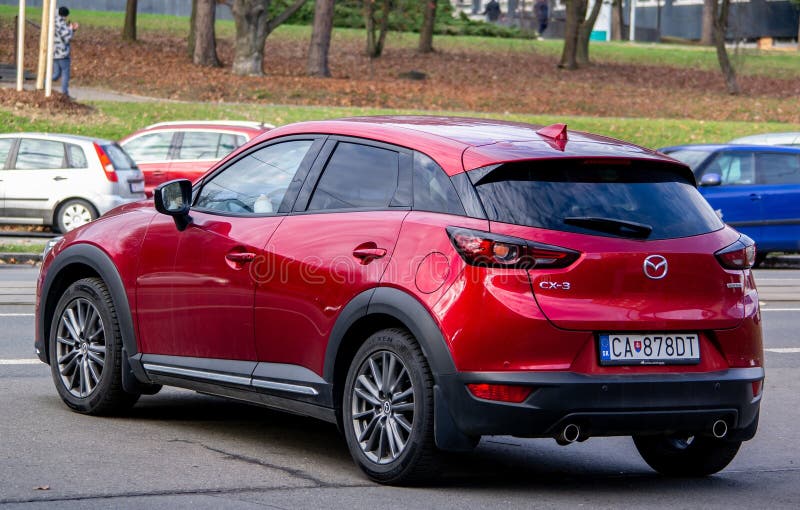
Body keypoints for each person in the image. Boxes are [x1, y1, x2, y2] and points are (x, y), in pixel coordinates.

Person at [53, 6, 79, 98]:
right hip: (62, 53)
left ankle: (41, 85)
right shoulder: (61, 23)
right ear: (65, 15)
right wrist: (72, 29)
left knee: (56, 74)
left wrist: (69, 29)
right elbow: (67, 38)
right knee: (65, 74)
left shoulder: (54, 20)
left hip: (54, 52)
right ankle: (65, 94)